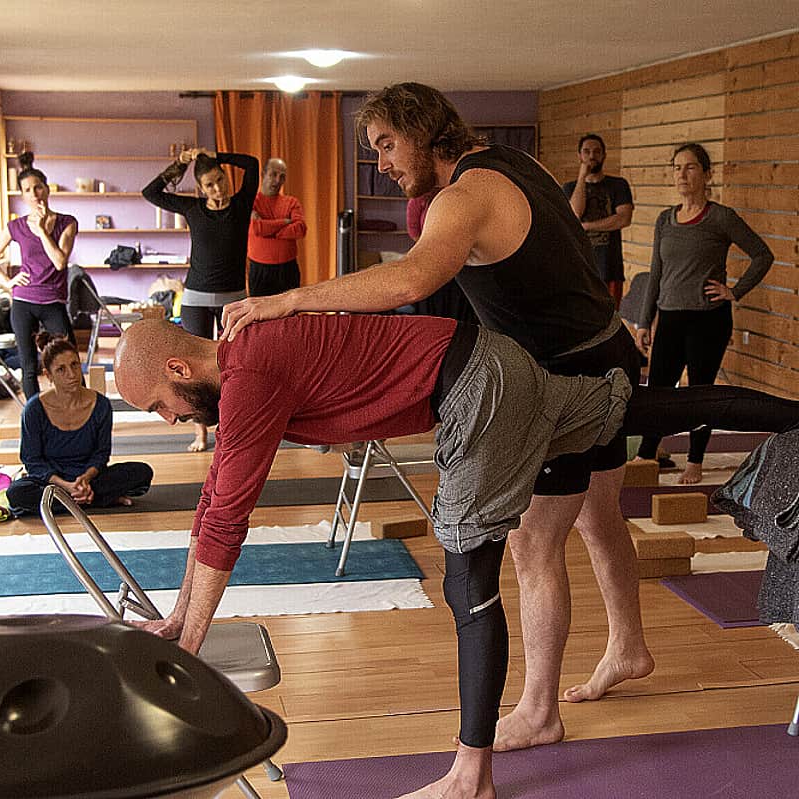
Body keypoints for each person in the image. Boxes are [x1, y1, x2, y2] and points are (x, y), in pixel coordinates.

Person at [114, 314, 797, 799]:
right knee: (641, 411)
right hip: (490, 366)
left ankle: (471, 774)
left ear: (179, 368)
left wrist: (190, 636)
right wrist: (179, 619)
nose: (171, 419)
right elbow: (215, 502)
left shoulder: (249, 372)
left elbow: (229, 515)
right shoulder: (246, 360)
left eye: (162, 405)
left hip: (478, 386)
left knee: (466, 572)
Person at [219, 82, 650, 795]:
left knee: (534, 544)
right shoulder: (518, 163)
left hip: (569, 377)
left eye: (387, 143)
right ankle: (628, 646)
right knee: (601, 522)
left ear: (423, 129)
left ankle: (539, 710)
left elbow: (412, 278)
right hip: (607, 358)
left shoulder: (463, 197)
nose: (383, 162)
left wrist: (289, 297)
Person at [633, 142, 775, 484]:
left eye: (690, 167)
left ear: (707, 174)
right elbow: (656, 273)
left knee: (700, 391)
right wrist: (643, 320)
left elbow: (762, 255)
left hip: (707, 320)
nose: (682, 174)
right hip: (669, 317)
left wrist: (734, 291)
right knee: (659, 390)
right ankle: (645, 454)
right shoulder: (665, 219)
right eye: (677, 168)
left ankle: (695, 461)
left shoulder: (721, 217)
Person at [143, 147, 258, 452]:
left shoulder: (241, 204)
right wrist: (179, 164)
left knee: (231, 364)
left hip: (233, 300)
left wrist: (217, 155)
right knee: (193, 368)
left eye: (220, 180)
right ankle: (200, 433)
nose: (218, 188)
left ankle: (228, 426)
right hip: (195, 298)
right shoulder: (193, 209)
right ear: (201, 188)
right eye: (210, 184)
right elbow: (151, 192)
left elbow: (252, 163)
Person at [6, 333, 153, 516]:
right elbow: (32, 461)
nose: (71, 374)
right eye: (61, 369)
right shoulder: (34, 409)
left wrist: (85, 478)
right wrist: (66, 486)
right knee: (16, 493)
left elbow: (101, 454)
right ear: (48, 375)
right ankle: (95, 500)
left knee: (142, 472)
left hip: (90, 479)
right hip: (52, 482)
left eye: (75, 365)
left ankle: (73, 501)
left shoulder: (100, 405)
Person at [0, 152, 78, 399]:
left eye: (38, 187)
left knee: (69, 358)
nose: (34, 193)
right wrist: (7, 283)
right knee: (28, 366)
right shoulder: (15, 227)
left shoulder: (67, 222)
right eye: (28, 190)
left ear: (47, 190)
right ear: (23, 196)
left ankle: (72, 406)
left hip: (53, 302)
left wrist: (41, 232)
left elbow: (59, 262)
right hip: (24, 301)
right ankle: (34, 415)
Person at [562, 133, 634, 303]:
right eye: (586, 152)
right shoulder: (569, 187)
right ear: (579, 155)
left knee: (611, 322)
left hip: (610, 268)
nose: (591, 156)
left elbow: (623, 218)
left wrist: (587, 227)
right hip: (579, 270)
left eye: (596, 151)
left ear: (604, 155)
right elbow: (574, 215)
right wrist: (582, 177)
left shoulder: (618, 185)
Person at [406, 187, 478, 324]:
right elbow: (414, 233)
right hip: (431, 263)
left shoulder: (461, 197)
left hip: (462, 264)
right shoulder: (420, 200)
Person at [248, 157, 306, 296]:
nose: (277, 180)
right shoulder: (251, 202)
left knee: (291, 315)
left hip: (288, 269)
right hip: (260, 270)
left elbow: (300, 229)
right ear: (263, 174)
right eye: (273, 174)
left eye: (282, 177)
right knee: (259, 314)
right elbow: (258, 228)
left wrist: (269, 229)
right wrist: (285, 222)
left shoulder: (292, 202)